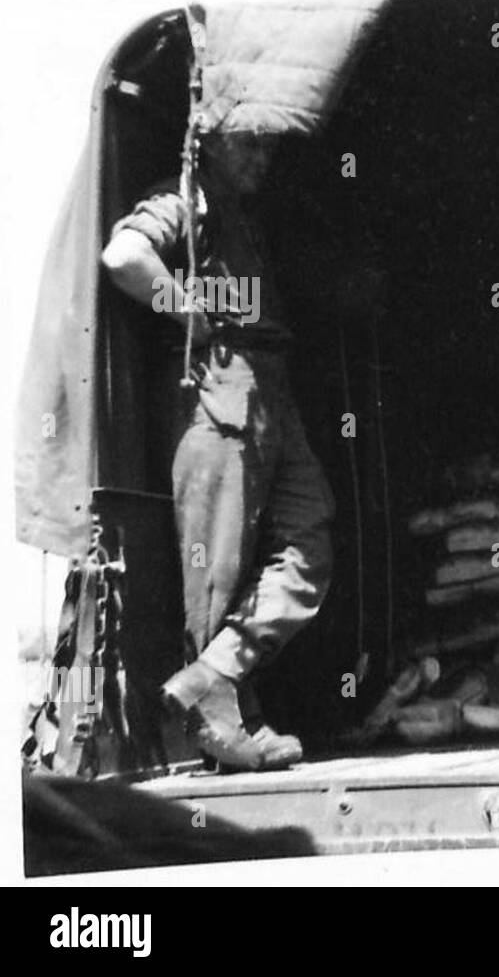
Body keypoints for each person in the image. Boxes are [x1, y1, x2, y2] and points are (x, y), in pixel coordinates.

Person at [100, 131, 334, 771]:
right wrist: (188, 315)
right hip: (220, 389)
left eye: (268, 148)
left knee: (309, 540)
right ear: (211, 144)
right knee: (217, 576)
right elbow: (124, 256)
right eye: (248, 146)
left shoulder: (241, 215)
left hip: (269, 386)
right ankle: (230, 723)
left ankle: (215, 676)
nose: (262, 160)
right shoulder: (187, 198)